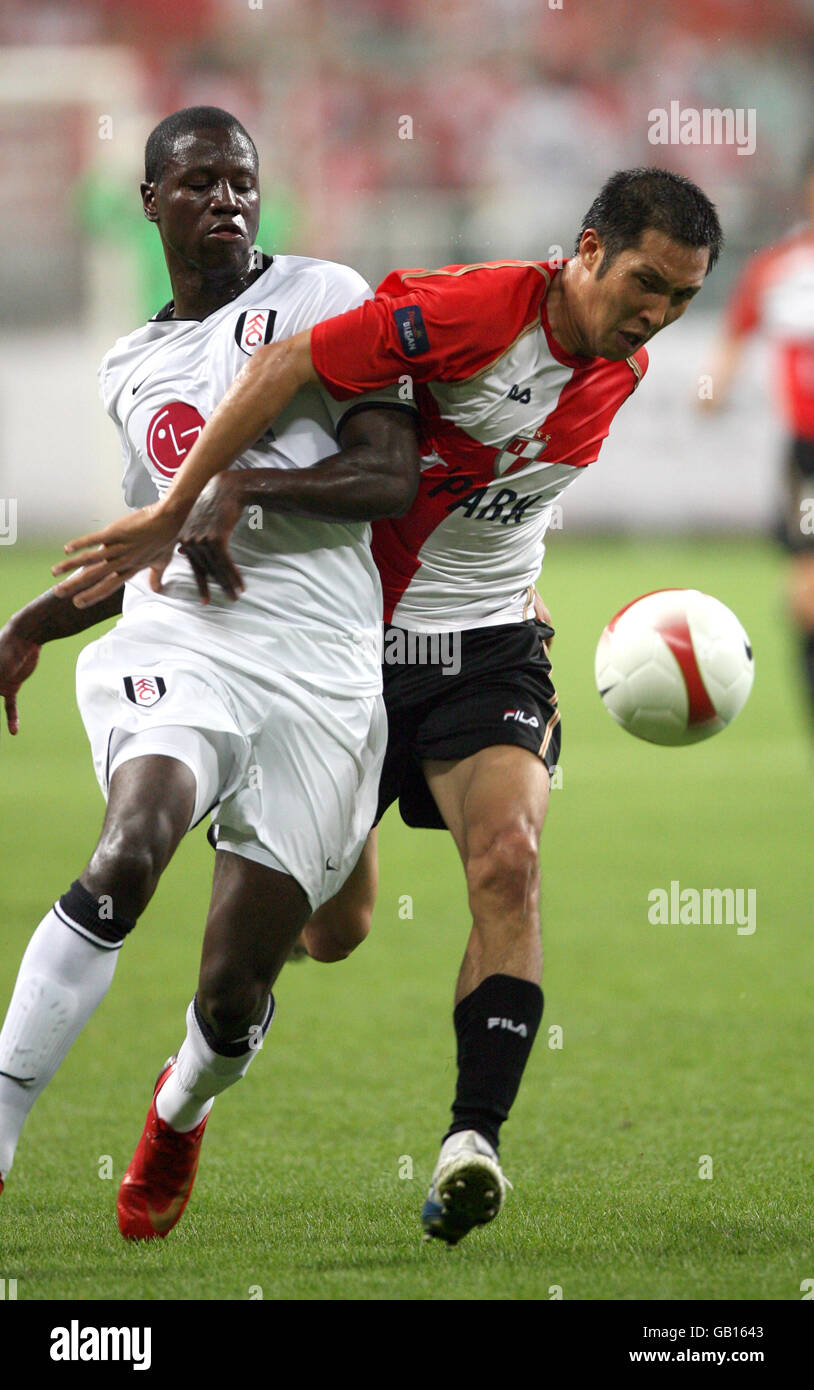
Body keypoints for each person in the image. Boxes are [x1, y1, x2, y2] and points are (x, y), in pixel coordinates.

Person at [53, 167, 723, 1246]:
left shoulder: (619, 363)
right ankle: (188, 1088)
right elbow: (286, 365)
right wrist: (181, 508)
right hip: (351, 654)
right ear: (587, 250)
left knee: (509, 858)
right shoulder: (465, 310)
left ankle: (472, 1142)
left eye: (682, 299)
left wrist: (512, 576)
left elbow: (502, 490)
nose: (655, 315)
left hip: (492, 653)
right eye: (645, 283)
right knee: (330, 932)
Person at [0, 105, 420, 1239]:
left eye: (241, 180)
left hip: (320, 666)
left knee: (236, 987)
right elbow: (154, 534)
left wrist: (250, 491)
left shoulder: (328, 296)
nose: (227, 200)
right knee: (129, 851)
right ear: (149, 203)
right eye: (198, 182)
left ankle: (180, 1107)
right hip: (182, 644)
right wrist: (33, 619)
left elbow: (392, 474)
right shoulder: (130, 365)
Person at [701, 144, 814, 736]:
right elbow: (736, 335)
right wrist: (713, 385)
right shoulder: (777, 269)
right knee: (805, 598)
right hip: (807, 457)